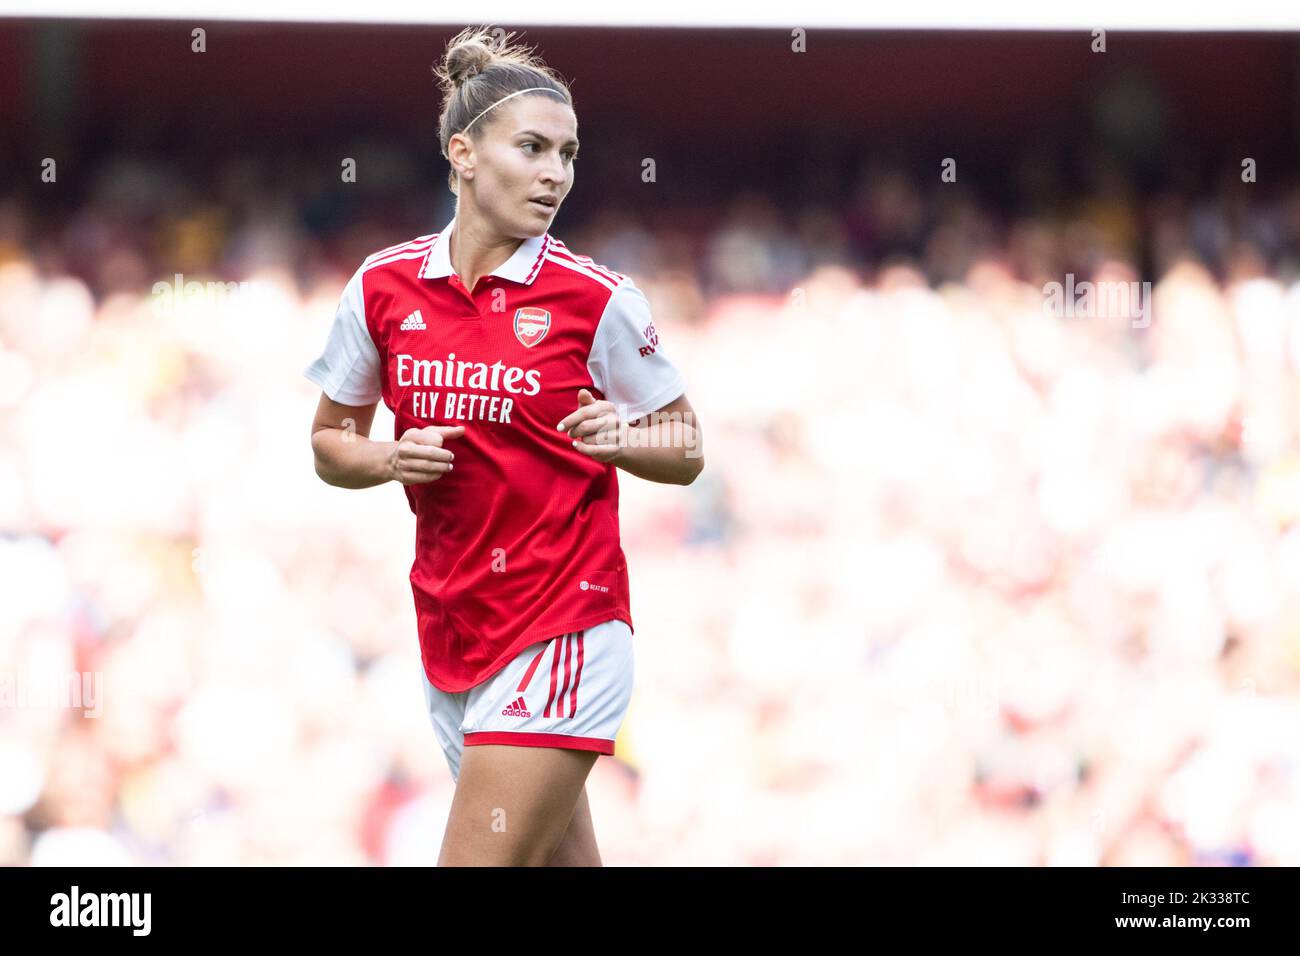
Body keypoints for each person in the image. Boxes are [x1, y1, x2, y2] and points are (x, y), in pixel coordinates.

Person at [303, 26, 703, 866]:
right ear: (464, 153)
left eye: (568, 153)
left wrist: (623, 439)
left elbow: (687, 442)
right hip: (453, 629)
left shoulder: (596, 297)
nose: (556, 173)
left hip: (566, 621)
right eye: (532, 148)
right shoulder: (381, 287)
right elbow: (332, 444)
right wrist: (389, 458)